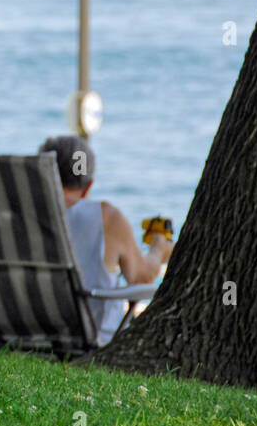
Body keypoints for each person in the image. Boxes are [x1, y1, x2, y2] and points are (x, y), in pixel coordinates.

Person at [38, 134, 174, 346]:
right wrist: (159, 249)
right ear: (88, 185)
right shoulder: (107, 217)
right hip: (92, 336)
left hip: (30, 329)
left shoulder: (19, 212)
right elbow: (140, 277)